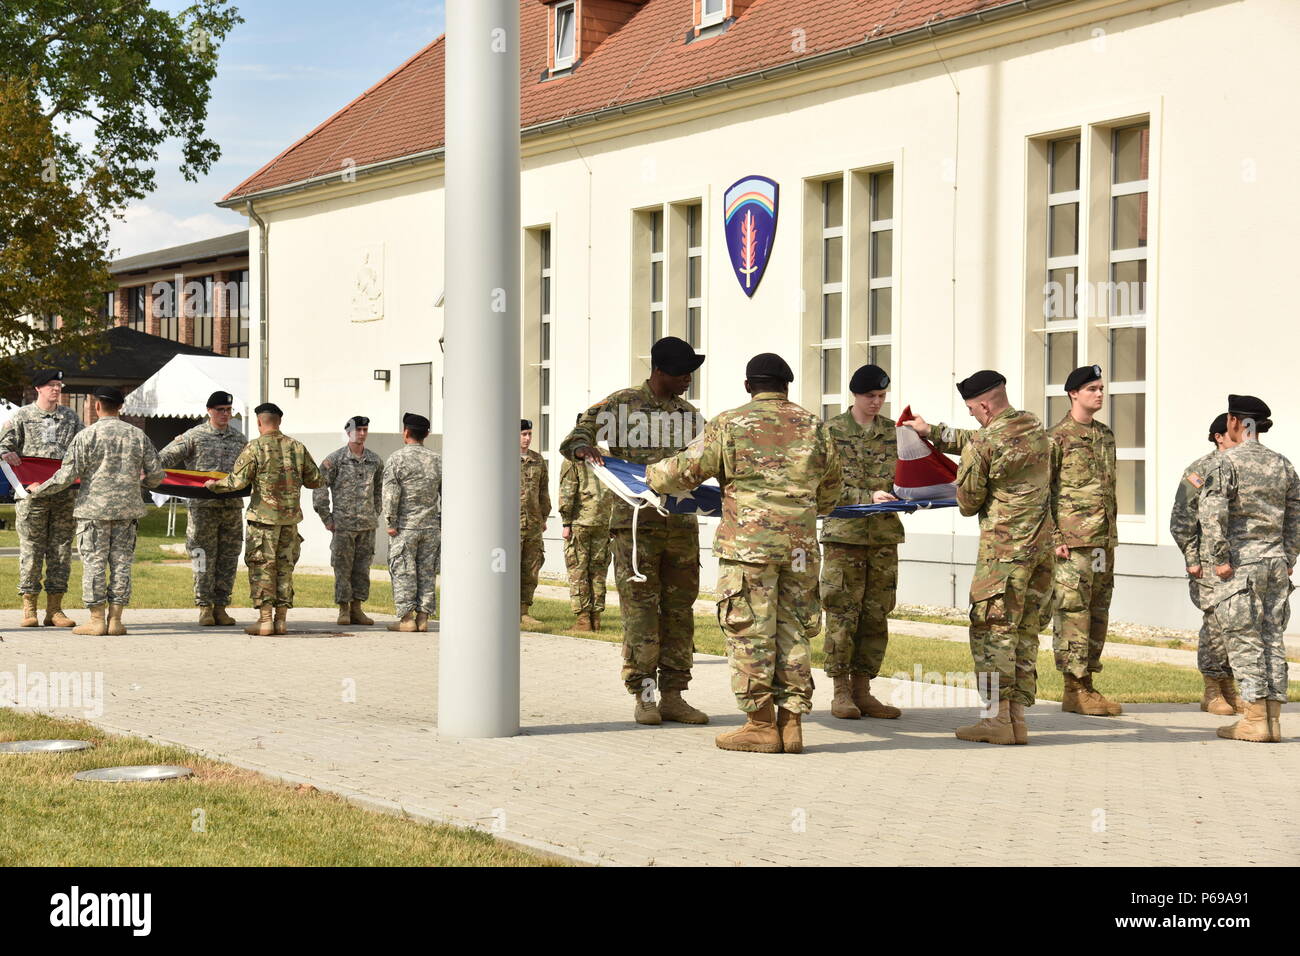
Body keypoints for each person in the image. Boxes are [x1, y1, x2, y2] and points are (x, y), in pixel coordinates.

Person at [647, 353, 841, 753]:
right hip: (801, 550)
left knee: (750, 631)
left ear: (749, 386)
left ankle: (759, 724)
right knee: (794, 631)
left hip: (749, 547)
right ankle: (791, 726)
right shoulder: (814, 426)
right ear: (786, 387)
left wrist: (650, 474)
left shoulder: (731, 423)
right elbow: (831, 491)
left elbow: (684, 471)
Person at [560, 336, 709, 726]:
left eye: (691, 374)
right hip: (634, 525)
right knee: (641, 612)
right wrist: (583, 449)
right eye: (682, 374)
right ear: (659, 371)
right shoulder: (621, 405)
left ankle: (675, 696)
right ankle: (645, 695)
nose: (688, 380)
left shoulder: (690, 416)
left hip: (680, 526)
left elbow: (712, 459)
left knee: (679, 611)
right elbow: (577, 434)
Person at [907, 371, 1053, 744]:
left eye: (972, 409)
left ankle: (996, 719)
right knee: (1023, 633)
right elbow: (984, 437)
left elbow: (969, 503)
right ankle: (1016, 720)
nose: (972, 415)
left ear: (984, 404)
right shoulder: (1031, 425)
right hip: (1040, 553)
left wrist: (954, 483)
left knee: (993, 633)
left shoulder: (983, 444)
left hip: (1002, 557)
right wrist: (933, 432)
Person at [1199, 395, 1299, 743]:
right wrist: (1289, 558)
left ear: (1233, 422)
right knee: (1272, 639)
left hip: (1241, 567)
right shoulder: (1283, 465)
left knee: (1244, 639)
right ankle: (1272, 720)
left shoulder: (1227, 463)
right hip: (1275, 565)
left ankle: (1254, 718)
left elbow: (1212, 515)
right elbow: (1295, 517)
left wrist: (1220, 559)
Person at [25, 386, 165, 635]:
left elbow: (66, 476)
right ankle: (116, 620)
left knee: (94, 564)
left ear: (97, 406)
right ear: (120, 407)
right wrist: (137, 483)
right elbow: (156, 476)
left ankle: (96, 619)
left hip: (93, 511)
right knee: (122, 564)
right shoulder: (137, 435)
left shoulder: (86, 436)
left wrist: (39, 489)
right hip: (127, 511)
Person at [820, 364, 904, 721]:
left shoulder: (894, 433)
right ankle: (840, 691)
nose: (877, 402)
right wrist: (867, 495)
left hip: (884, 536)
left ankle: (864, 689)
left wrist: (911, 495)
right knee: (842, 613)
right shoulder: (831, 432)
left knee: (876, 613)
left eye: (882, 396)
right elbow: (823, 485)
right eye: (871, 396)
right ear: (855, 395)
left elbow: (908, 476)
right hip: (845, 537)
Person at [204, 403, 322, 636]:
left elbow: (237, 481)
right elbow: (315, 479)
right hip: (289, 523)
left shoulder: (255, 448)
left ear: (259, 422)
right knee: (284, 570)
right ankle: (281, 621)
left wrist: (212, 485)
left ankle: (265, 620)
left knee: (263, 569)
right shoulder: (297, 447)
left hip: (263, 523)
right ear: (279, 421)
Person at [1046, 365, 1122, 716]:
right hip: (1072, 542)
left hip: (1102, 543)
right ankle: (1073, 688)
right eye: (1092, 388)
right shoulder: (1056, 438)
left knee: (1097, 610)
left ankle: (1088, 681)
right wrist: (1054, 536)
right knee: (1072, 611)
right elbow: (1044, 491)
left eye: (1102, 388)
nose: (1099, 394)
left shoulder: (1105, 436)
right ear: (1073, 393)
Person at [1169, 413, 1245, 715]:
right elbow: (1181, 516)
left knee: (1235, 622)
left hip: (1239, 560)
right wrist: (1191, 557)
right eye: (1233, 432)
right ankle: (1211, 688)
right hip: (1207, 562)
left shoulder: (1244, 466)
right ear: (1218, 436)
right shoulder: (1201, 470)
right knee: (1214, 622)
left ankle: (1229, 686)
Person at [0, 369, 84, 627]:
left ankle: (55, 609)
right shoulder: (22, 416)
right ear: (38, 388)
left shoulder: (70, 417)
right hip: (31, 495)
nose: (56, 389)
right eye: (51, 385)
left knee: (61, 550)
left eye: (59, 385)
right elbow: (4, 445)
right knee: (32, 550)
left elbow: (82, 446)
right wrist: (7, 453)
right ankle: (29, 607)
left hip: (63, 495)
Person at [158, 390, 247, 626]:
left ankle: (221, 606)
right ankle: (204, 607)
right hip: (202, 509)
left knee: (228, 558)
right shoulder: (194, 436)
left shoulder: (240, 440)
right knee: (202, 558)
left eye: (228, 410)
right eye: (220, 410)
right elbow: (163, 458)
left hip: (231, 509)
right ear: (209, 411)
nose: (225, 414)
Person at [313, 415, 383, 626]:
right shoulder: (334, 460)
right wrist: (327, 517)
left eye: (364, 430)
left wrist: (375, 512)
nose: (361, 434)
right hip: (342, 525)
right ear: (348, 432)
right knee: (342, 567)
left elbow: (378, 490)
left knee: (362, 568)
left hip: (367, 525)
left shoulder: (374, 460)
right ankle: (344, 609)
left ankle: (357, 609)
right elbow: (319, 487)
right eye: (357, 430)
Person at [382, 413, 442, 632]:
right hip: (431, 527)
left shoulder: (396, 459)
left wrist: (391, 522)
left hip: (405, 527)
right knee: (427, 572)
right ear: (426, 434)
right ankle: (424, 617)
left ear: (405, 432)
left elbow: (390, 494)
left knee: (404, 571)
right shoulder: (437, 459)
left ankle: (407, 619)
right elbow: (447, 494)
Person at [559, 413, 613, 632]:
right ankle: (596, 617)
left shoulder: (574, 458)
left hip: (580, 521)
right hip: (604, 521)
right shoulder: (607, 456)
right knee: (598, 570)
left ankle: (583, 620)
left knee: (578, 570)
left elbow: (568, 492)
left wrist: (565, 522)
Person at [518, 419, 551, 627]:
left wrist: (543, 518)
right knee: (508, 568)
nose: (527, 438)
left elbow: (543, 492)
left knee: (531, 567)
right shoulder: (502, 458)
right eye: (523, 434)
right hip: (509, 525)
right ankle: (505, 608)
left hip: (533, 524)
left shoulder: (537, 460)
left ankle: (523, 610)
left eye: (529, 434)